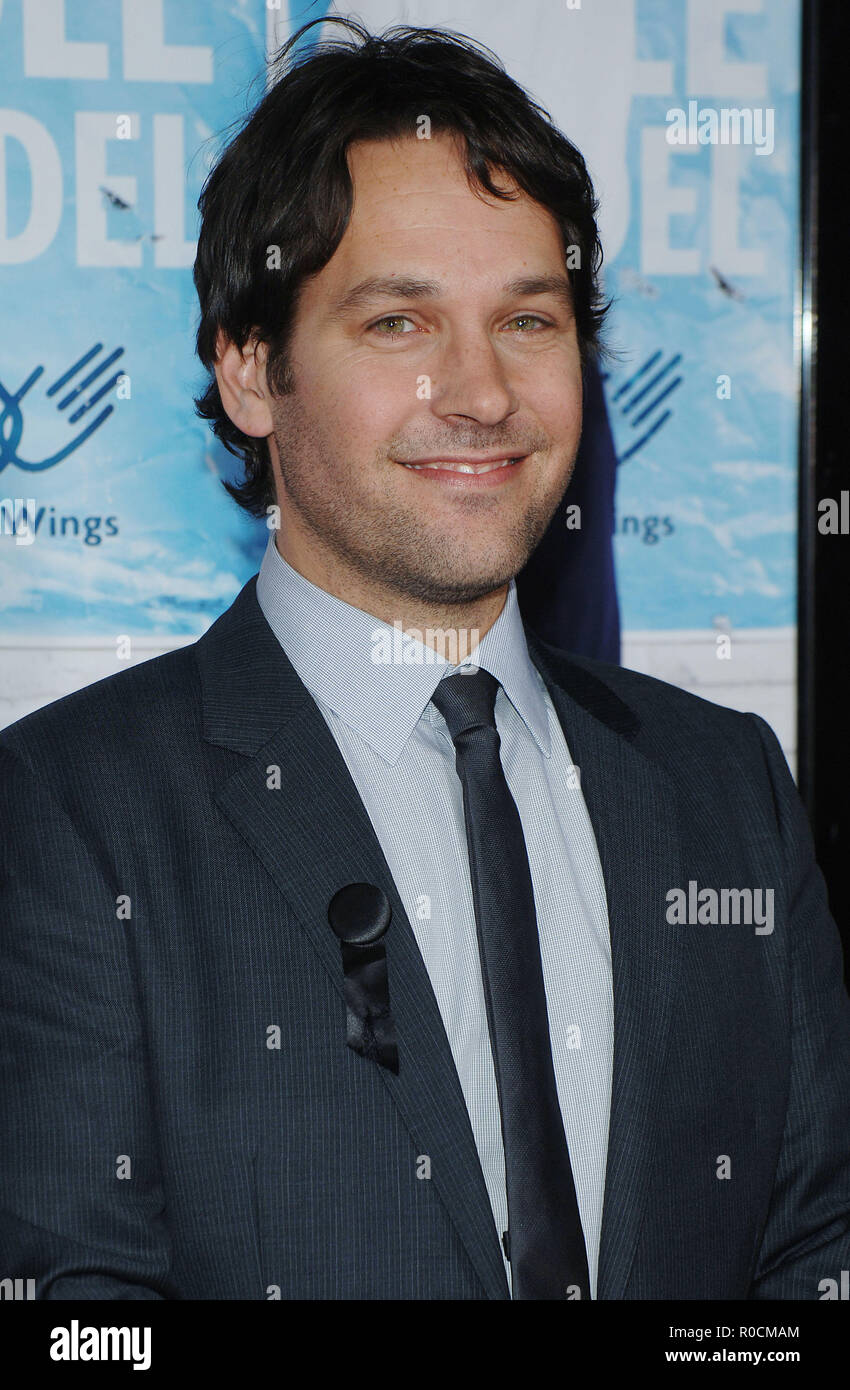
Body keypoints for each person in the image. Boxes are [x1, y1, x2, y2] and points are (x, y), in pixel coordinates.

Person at [1, 18, 848, 1302]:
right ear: (248, 367)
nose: (481, 390)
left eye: (528, 319)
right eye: (398, 323)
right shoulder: (69, 813)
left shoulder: (726, 786)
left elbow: (809, 1254)